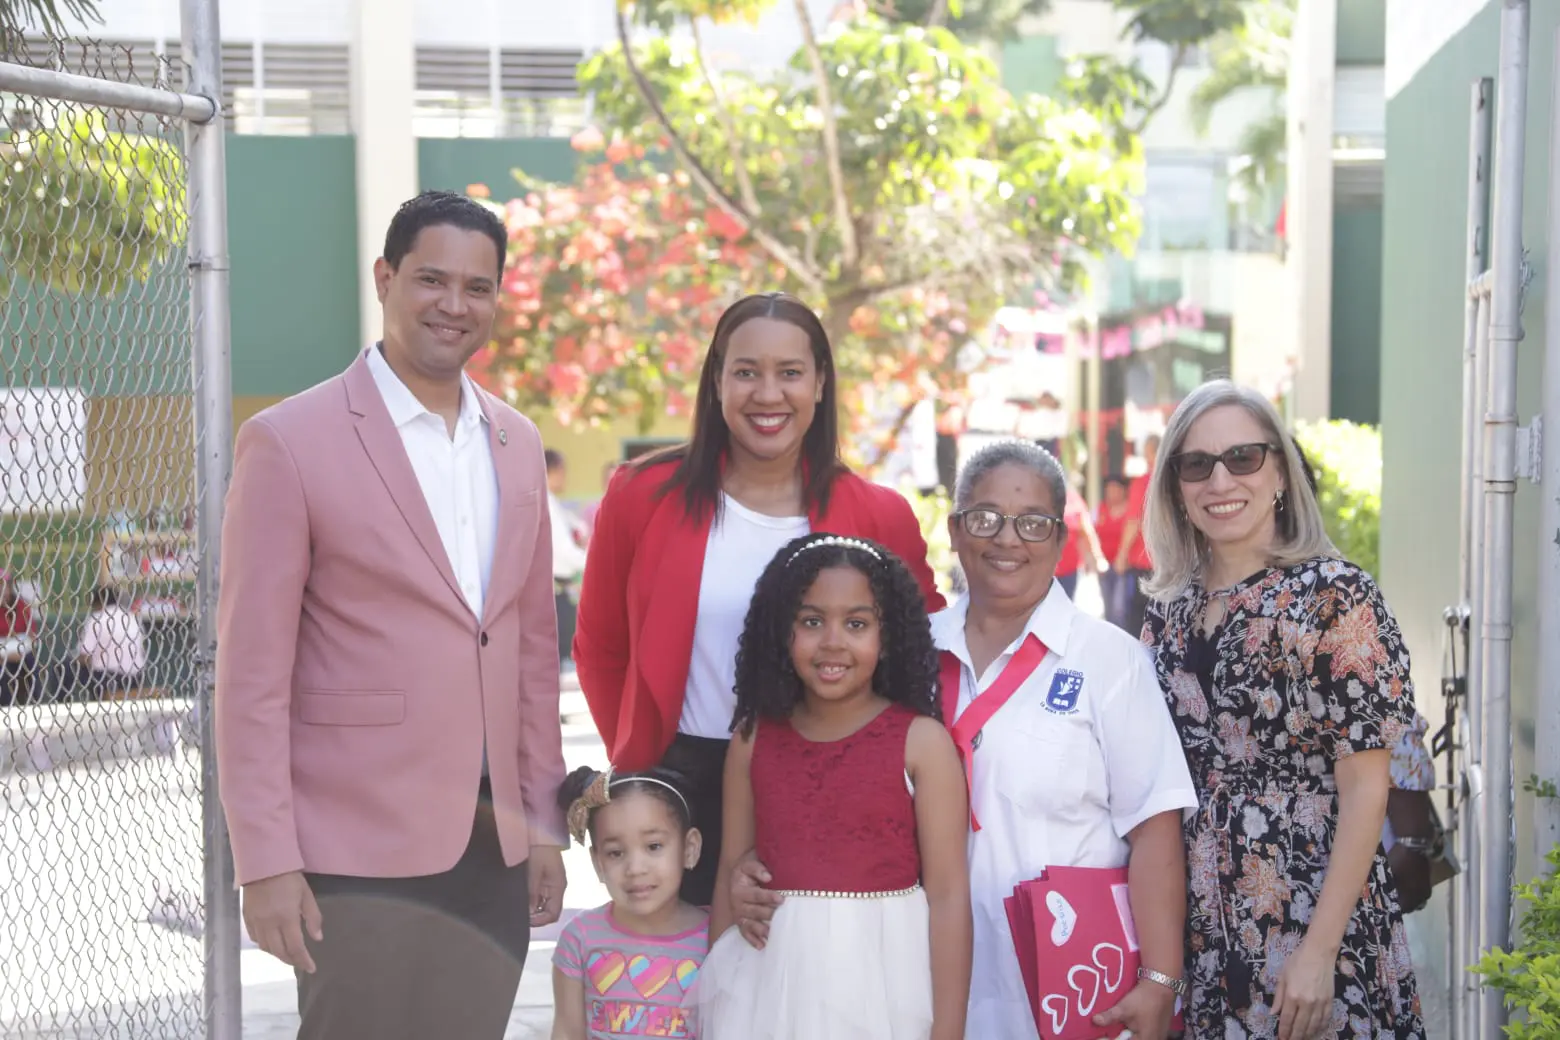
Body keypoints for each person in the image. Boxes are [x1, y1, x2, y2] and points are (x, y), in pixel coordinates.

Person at [215, 190, 569, 1040]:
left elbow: (530, 652)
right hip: (352, 851)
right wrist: (264, 861)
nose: (455, 305)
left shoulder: (517, 443)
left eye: (477, 287)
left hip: (491, 850)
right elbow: (251, 676)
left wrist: (545, 826)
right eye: (431, 280)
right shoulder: (289, 440)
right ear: (385, 278)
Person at [730, 442, 1197, 1040]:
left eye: (1032, 523)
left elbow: (1154, 827)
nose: (1007, 539)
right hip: (909, 978)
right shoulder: (902, 653)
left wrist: (1159, 979)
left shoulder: (1111, 661)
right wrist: (751, 869)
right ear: (954, 531)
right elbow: (822, 771)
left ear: (1060, 540)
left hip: (1069, 987)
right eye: (985, 518)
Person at [574, 291, 945, 907]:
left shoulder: (880, 515)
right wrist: (640, 766)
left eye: (790, 373)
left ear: (820, 384)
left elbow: (919, 663)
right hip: (680, 783)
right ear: (717, 381)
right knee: (690, 965)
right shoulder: (641, 496)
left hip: (828, 783)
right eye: (746, 372)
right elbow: (602, 649)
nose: (768, 394)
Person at [1140, 379, 1425, 1038]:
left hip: (1314, 910)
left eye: (1243, 457)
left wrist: (1320, 952)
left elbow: (1366, 788)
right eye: (1197, 464)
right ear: (1176, 487)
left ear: (1279, 472)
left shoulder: (1335, 597)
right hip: (1201, 917)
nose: (1220, 480)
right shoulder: (1167, 610)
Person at [698, 533, 971, 1040]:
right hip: (770, 989)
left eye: (857, 624)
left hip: (886, 991)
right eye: (811, 621)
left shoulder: (921, 743)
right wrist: (715, 1015)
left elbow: (949, 895)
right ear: (781, 629)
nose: (832, 642)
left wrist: (949, 1029)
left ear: (888, 636)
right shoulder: (752, 740)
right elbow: (728, 875)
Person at [552, 765, 709, 1040]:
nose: (635, 868)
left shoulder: (715, 940)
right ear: (598, 862)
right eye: (616, 853)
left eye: (653, 846)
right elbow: (566, 1031)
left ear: (689, 848)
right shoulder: (580, 938)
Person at [547, 448, 590, 668]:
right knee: (562, 654)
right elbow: (562, 550)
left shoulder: (552, 502)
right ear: (553, 471)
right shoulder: (545, 502)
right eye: (562, 471)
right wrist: (594, 562)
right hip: (555, 589)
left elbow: (578, 529)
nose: (565, 477)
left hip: (563, 587)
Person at [67, 584, 146, 699]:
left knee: (65, 666)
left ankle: (62, 702)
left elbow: (85, 656)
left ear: (99, 602)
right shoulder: (131, 617)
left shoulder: (97, 618)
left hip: (106, 678)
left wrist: (74, 658)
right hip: (136, 677)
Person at [1114, 434, 1159, 635]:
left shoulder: (1144, 482)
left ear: (1150, 452)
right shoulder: (1178, 479)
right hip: (1174, 565)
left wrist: (1122, 554)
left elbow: (1134, 521)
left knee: (1138, 624)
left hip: (1145, 564)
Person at [1052, 476, 1105, 601]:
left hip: (1069, 569)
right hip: (1043, 571)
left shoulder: (1073, 499)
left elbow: (1086, 530)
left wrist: (1095, 557)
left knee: (1065, 604)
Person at [1093, 475, 1135, 630]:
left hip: (1124, 567)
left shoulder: (1130, 511)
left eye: (1115, 489)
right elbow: (1091, 534)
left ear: (1123, 491)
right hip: (1104, 566)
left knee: (1120, 608)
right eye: (1109, 490)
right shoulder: (1100, 509)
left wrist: (1123, 557)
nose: (1112, 493)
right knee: (1108, 607)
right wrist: (1096, 558)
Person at [0, 571, 37, 706]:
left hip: (20, 650)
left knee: (31, 662)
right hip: (2, 653)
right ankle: (6, 707)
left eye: (6, 586)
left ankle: (34, 702)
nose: (3, 591)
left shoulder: (21, 605)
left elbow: (32, 635)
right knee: (3, 670)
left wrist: (22, 651)